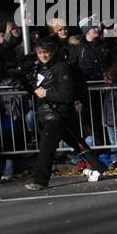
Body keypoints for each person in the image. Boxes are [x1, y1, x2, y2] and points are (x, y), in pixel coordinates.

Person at [26, 38, 108, 190]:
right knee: (77, 143)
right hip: (49, 114)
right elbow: (37, 91)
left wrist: (46, 93)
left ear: (52, 52)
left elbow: (67, 94)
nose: (42, 56)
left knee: (46, 148)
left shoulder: (61, 68)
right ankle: (100, 167)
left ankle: (40, 180)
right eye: (39, 53)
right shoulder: (41, 69)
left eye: (45, 52)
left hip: (58, 115)